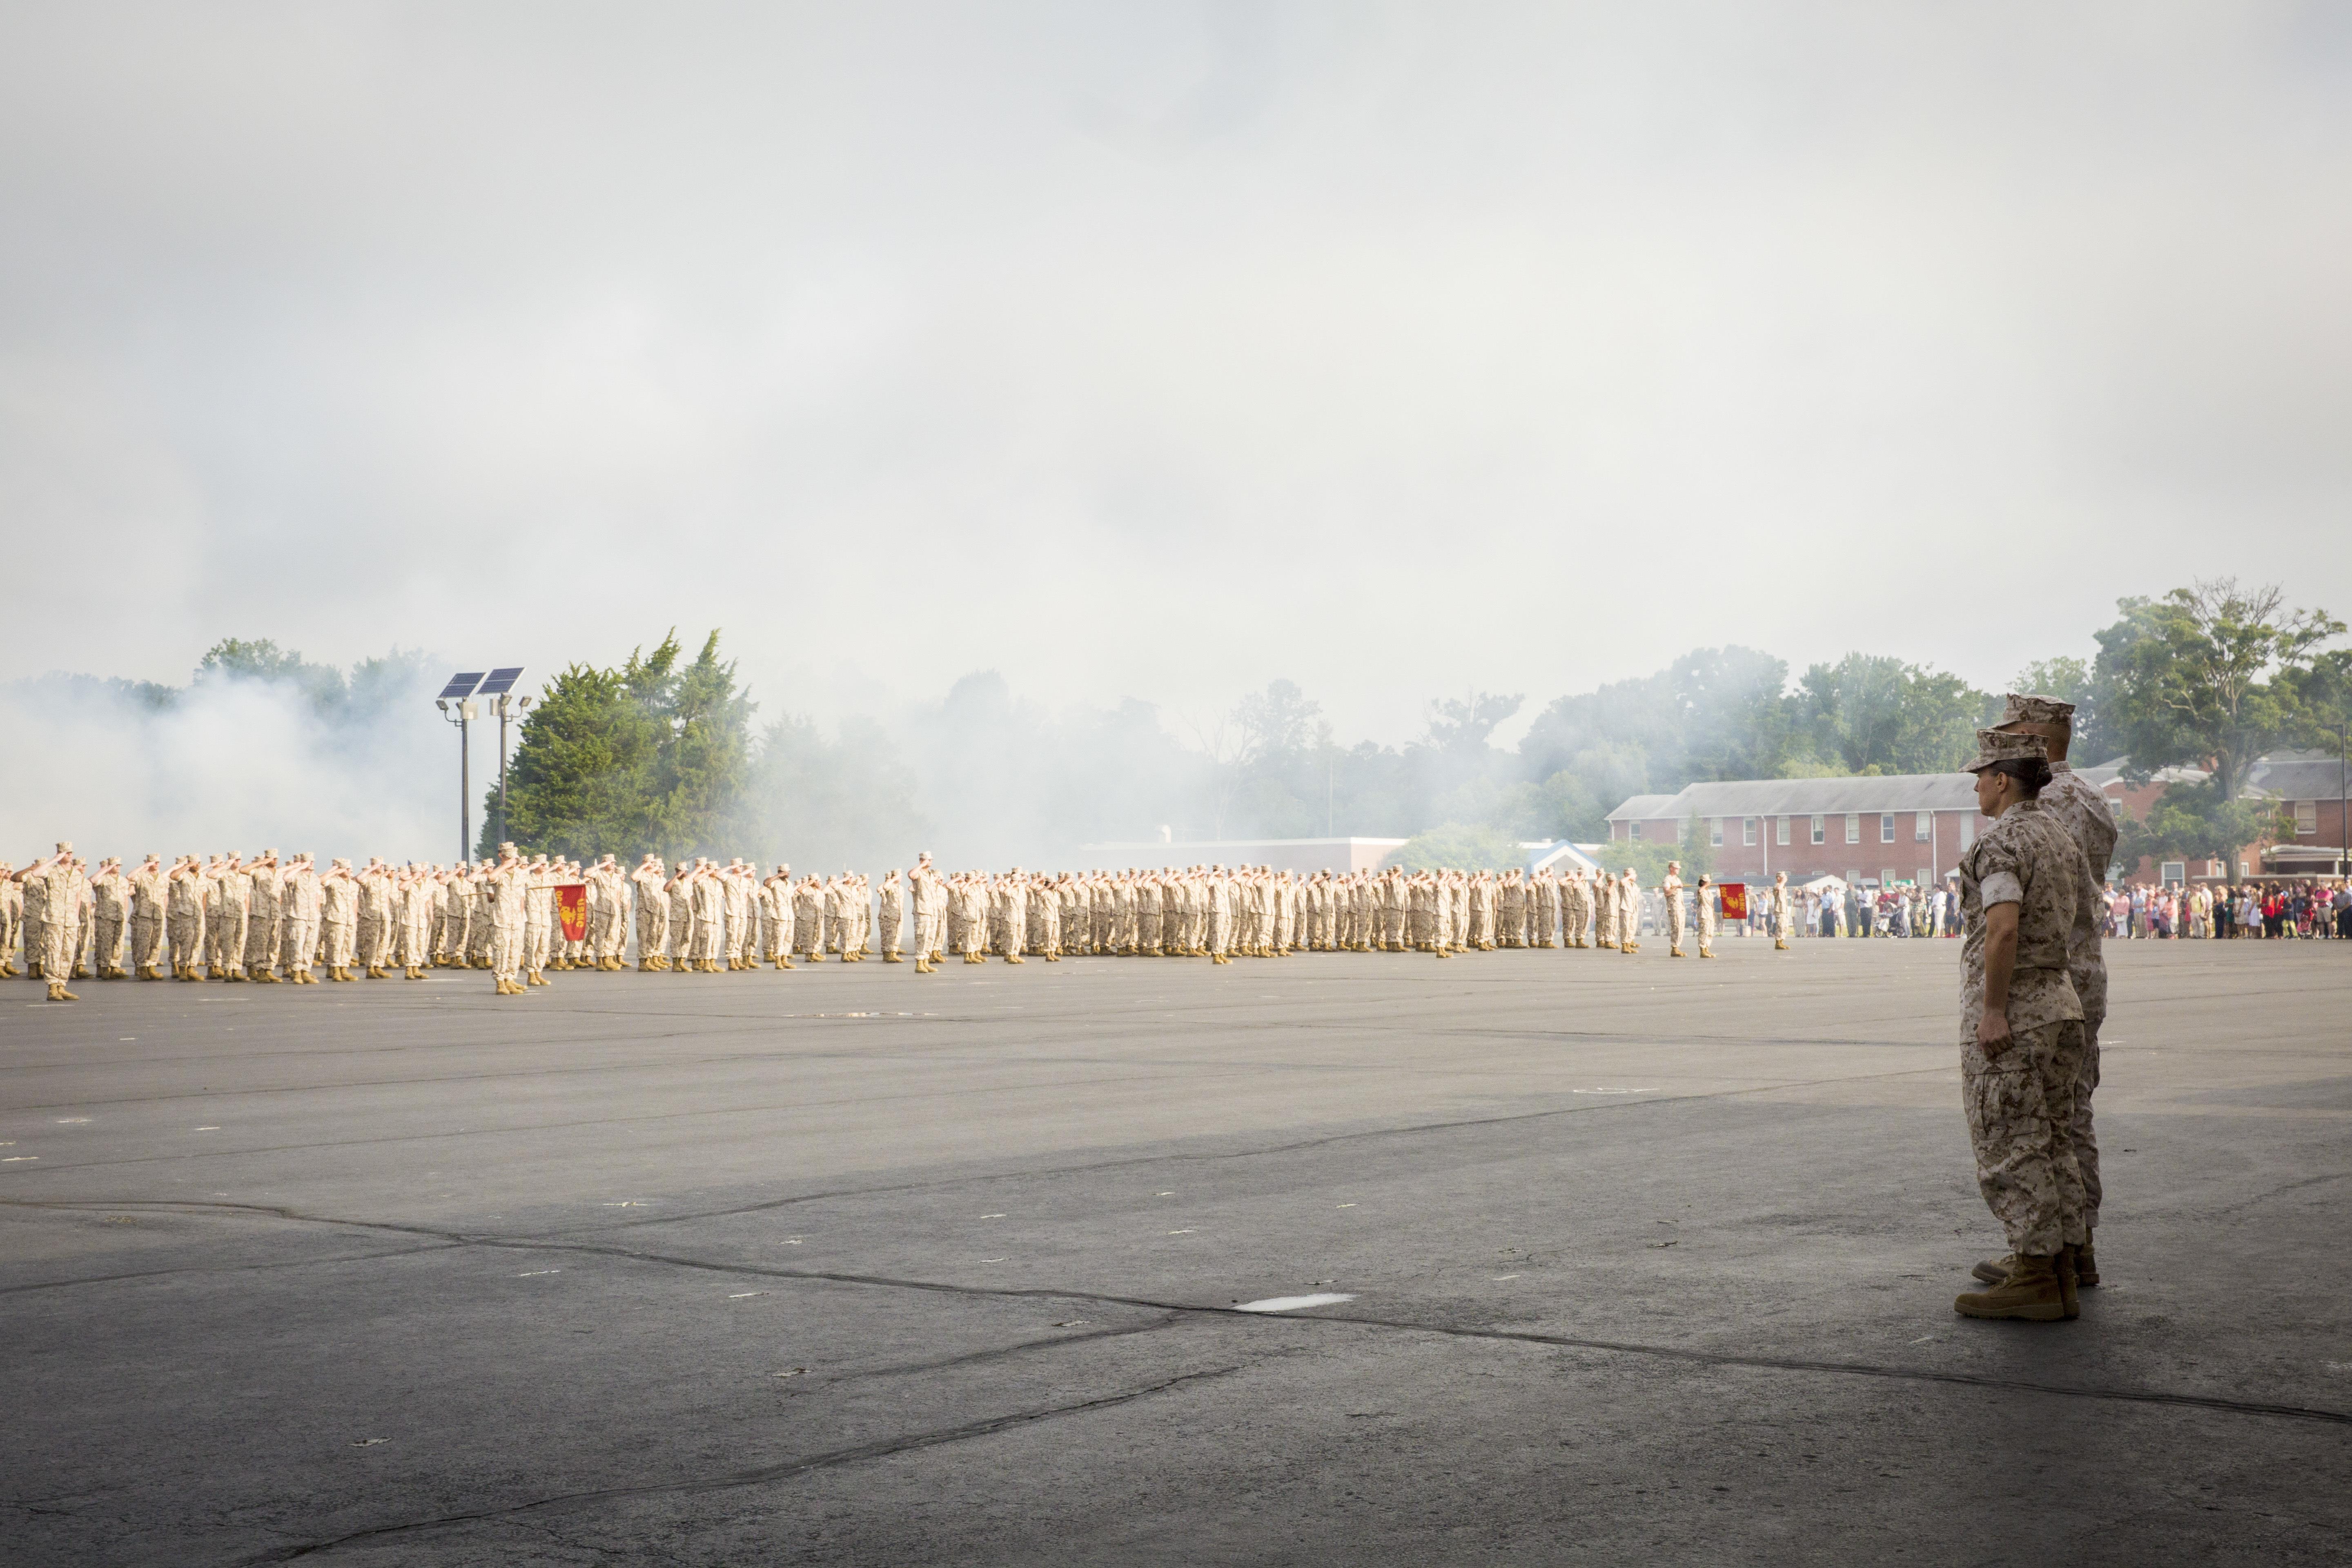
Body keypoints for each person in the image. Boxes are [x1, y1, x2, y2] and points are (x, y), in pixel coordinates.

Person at [1950, 730, 2090, 1323]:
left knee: (2011, 1140)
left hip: (2021, 1014)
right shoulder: (2058, 834)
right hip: (2060, 1003)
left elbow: (2003, 928)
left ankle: (2035, 1271)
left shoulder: (2004, 841)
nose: (1977, 786)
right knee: (2055, 1137)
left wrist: (1993, 1010)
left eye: (1980, 775)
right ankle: (2060, 1265)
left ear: (2002, 779)